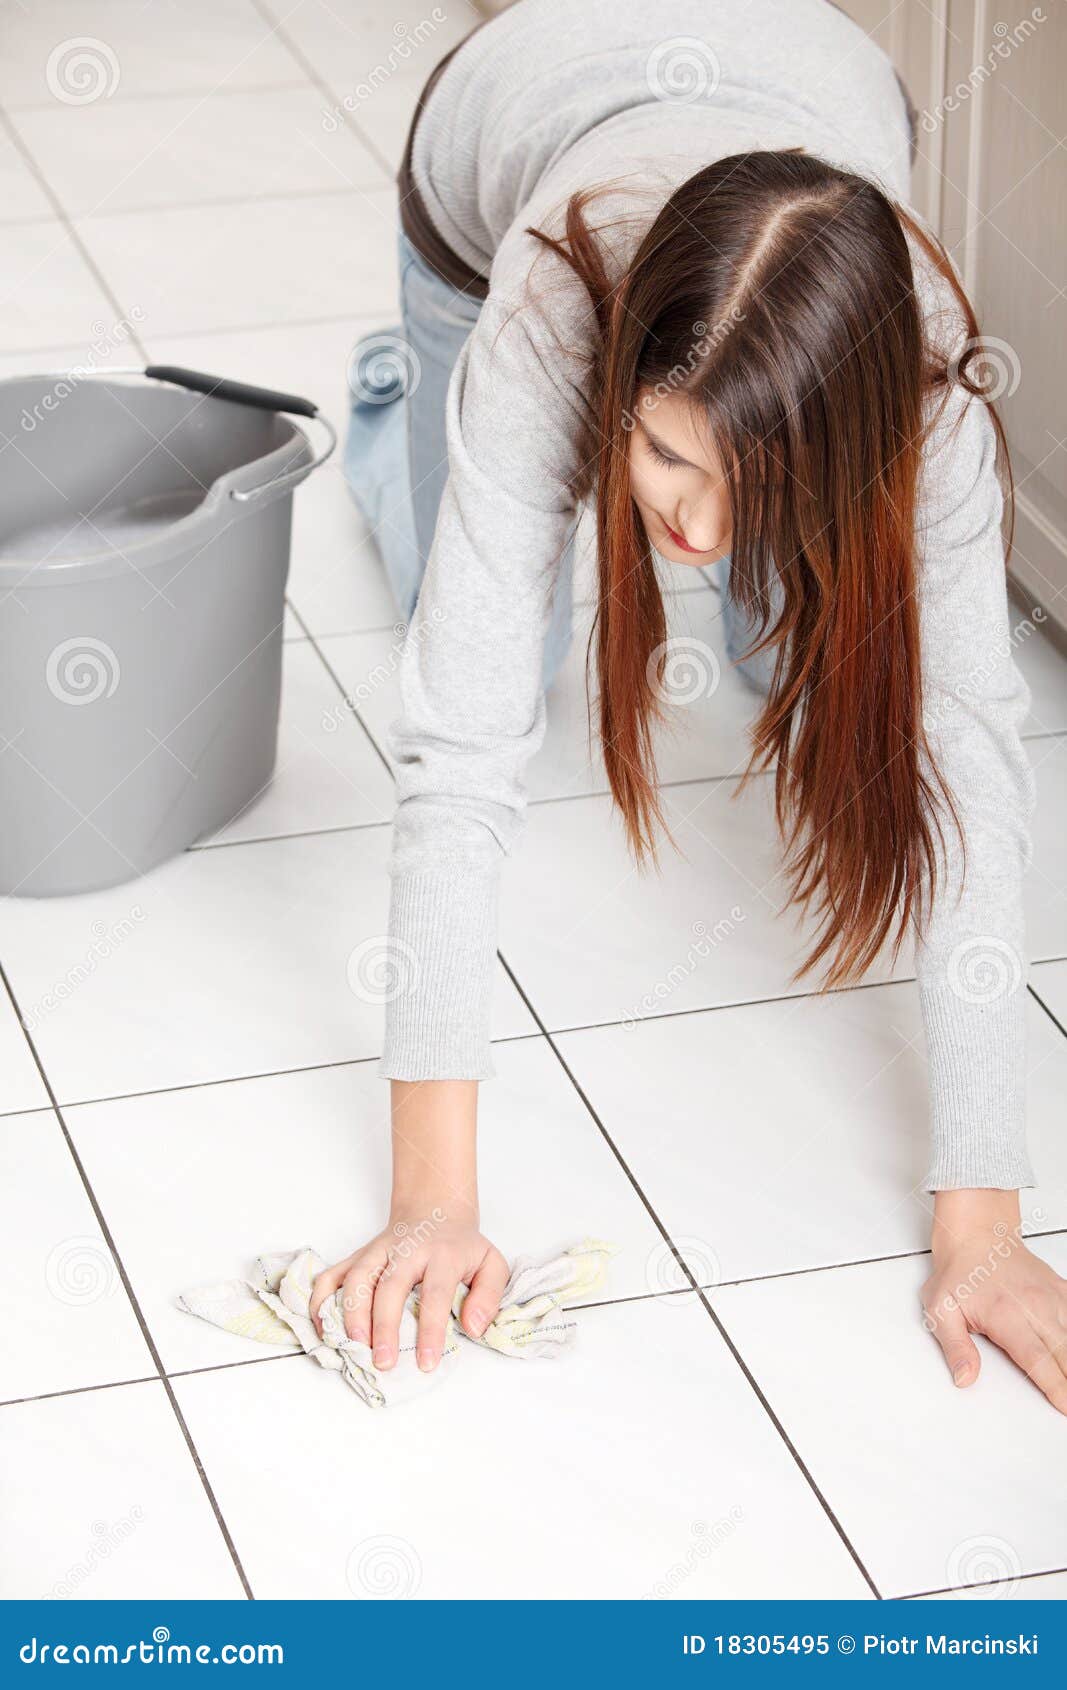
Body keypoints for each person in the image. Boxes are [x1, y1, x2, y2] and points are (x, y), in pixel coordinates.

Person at [314, 0, 1067, 1414]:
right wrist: (432, 1204)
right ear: (624, 389)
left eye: (754, 488)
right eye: (661, 455)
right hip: (495, 164)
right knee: (484, 630)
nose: (699, 527)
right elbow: (461, 756)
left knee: (790, 643)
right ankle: (403, 406)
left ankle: (705, 458)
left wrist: (985, 1219)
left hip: (821, 91)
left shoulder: (930, 386)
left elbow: (968, 758)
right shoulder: (547, 316)